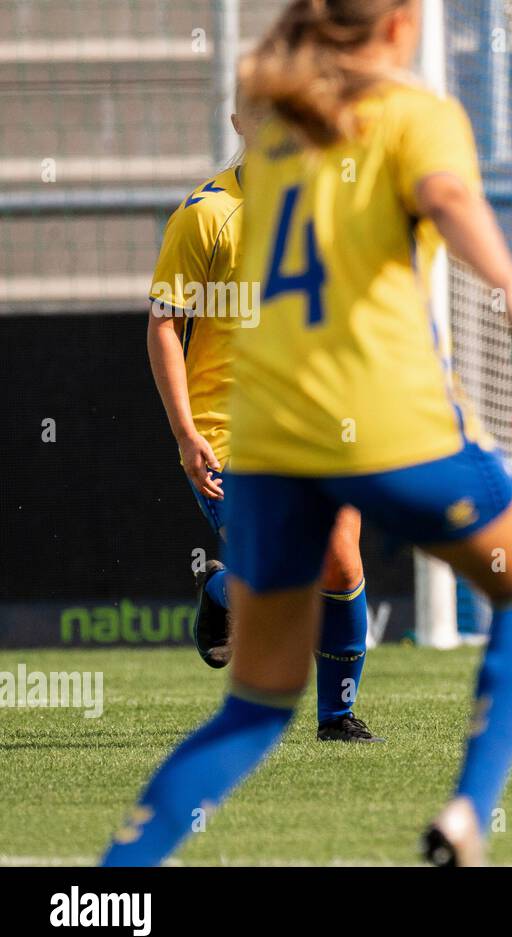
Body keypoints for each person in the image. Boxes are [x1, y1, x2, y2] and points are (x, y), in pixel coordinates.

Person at [105, 0, 512, 866]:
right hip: (388, 426)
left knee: (252, 707)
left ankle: (109, 889)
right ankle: (468, 813)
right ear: (398, 26)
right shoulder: (413, 115)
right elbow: (449, 196)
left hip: (276, 441)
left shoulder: (276, 139)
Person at [147, 103, 381, 743]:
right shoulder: (207, 216)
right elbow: (165, 323)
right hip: (230, 430)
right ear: (239, 122)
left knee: (339, 563)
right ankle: (229, 589)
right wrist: (186, 434)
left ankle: (337, 720)